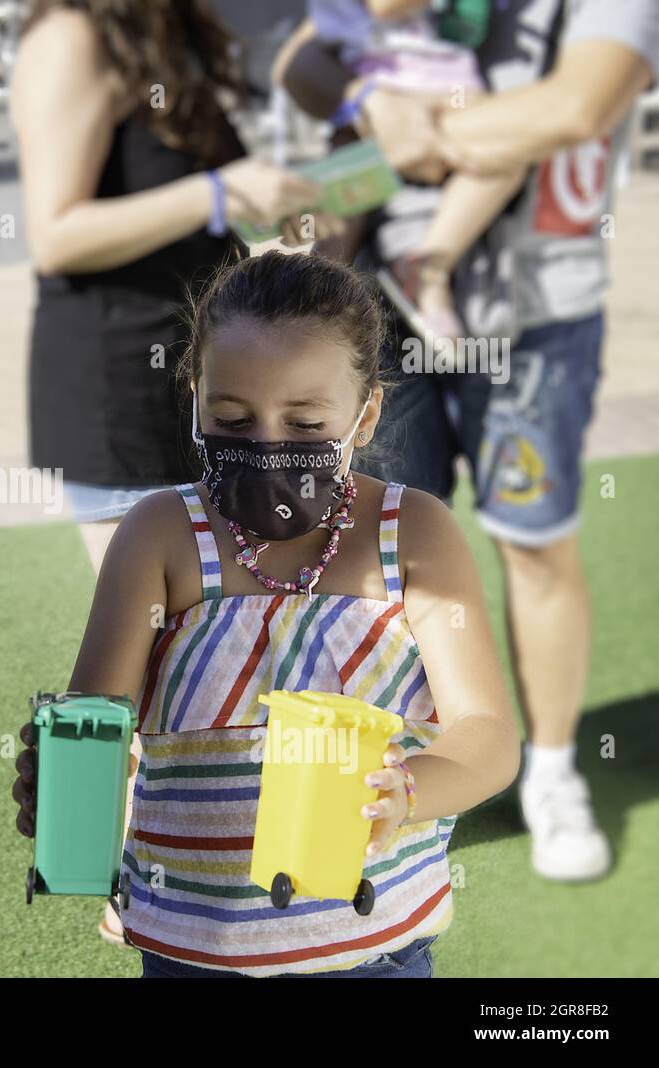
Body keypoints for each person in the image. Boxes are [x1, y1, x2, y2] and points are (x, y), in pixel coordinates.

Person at [12, 251, 521, 977]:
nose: (267, 445)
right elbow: (99, 719)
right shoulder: (158, 535)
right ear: (195, 397)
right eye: (231, 416)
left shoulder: (415, 533)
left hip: (375, 956)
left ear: (366, 414)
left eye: (307, 422)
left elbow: (489, 736)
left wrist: (407, 791)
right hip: (192, 953)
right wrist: (63, 780)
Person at [278, 0, 659, 882]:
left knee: (534, 545)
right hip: (377, 303)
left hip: (537, 311)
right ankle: (384, 775)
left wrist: (417, 127)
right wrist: (375, 110)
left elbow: (576, 106)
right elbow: (305, 58)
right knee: (374, 549)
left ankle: (553, 770)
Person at [12, 0, 336, 948]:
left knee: (215, 648)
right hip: (114, 389)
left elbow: (202, 232)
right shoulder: (69, 35)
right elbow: (56, 234)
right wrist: (219, 196)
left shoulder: (179, 35)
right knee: (145, 661)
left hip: (209, 394)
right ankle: (131, 885)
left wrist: (277, 231)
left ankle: (216, 863)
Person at [307, 0, 528, 338]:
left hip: (435, 69)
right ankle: (315, 303)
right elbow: (384, 6)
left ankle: (426, 269)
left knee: (507, 151)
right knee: (341, 213)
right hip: (382, 72)